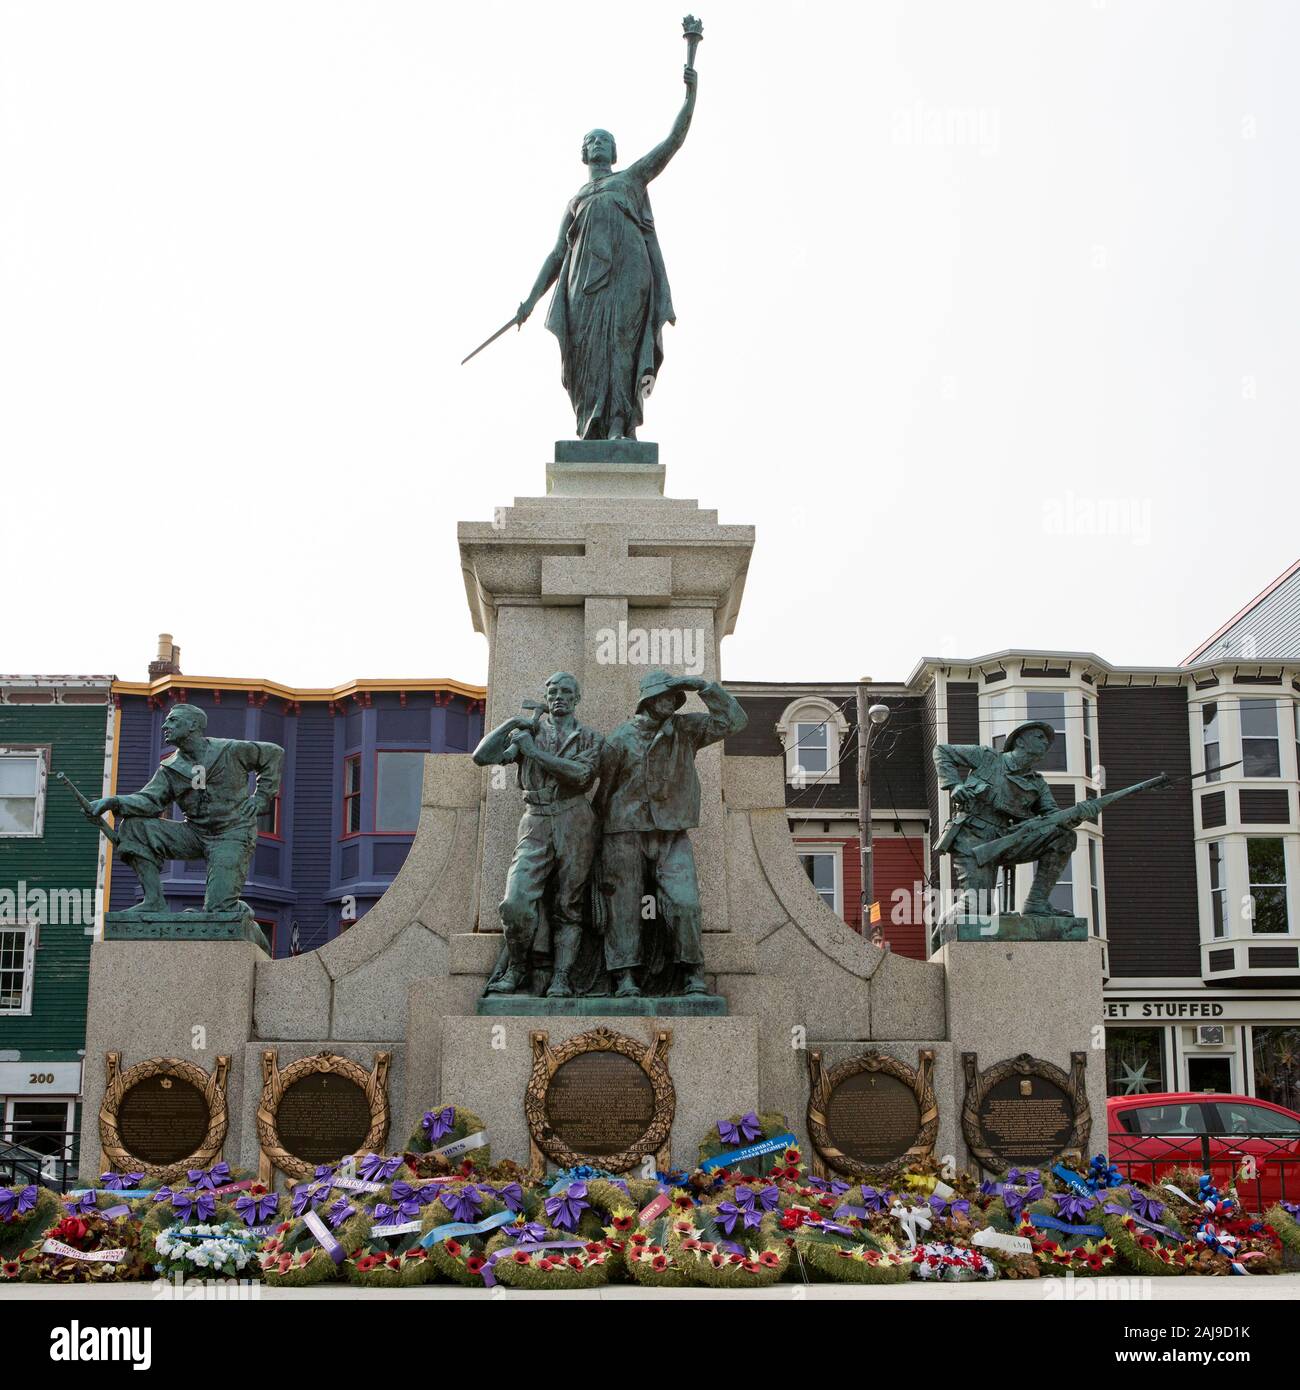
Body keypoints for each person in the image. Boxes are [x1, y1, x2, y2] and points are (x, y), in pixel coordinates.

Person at [513, 63, 698, 440]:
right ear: (583, 153)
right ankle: (592, 424)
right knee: (587, 351)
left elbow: (672, 142)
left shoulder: (629, 179)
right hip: (582, 285)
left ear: (615, 151)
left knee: (620, 343)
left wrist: (690, 94)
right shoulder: (576, 200)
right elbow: (555, 256)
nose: (598, 143)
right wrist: (530, 301)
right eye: (591, 140)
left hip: (628, 275)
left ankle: (618, 424)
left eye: (605, 139)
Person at [595, 670, 746, 996]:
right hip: (624, 830)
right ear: (647, 700)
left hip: (672, 830)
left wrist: (705, 688)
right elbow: (603, 792)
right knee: (624, 906)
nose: (671, 700)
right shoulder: (620, 739)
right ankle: (624, 977)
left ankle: (692, 972)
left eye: (674, 696)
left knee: (685, 903)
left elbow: (734, 722)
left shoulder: (687, 729)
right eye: (664, 695)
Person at [472, 673, 602, 997]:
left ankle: (562, 977)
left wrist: (536, 753)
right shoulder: (529, 731)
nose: (559, 696)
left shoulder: (590, 738)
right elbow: (482, 757)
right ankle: (516, 968)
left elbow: (582, 776)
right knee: (515, 902)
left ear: (577, 698)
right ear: (546, 698)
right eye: (553, 691)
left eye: (566, 691)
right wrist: (511, 724)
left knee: (569, 904)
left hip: (575, 818)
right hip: (535, 819)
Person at [91, 704, 282, 917]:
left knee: (219, 912)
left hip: (232, 833)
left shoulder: (229, 750)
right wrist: (112, 802)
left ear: (192, 725)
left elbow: (273, 754)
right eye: (166, 721)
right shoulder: (170, 767)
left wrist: (261, 797)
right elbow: (149, 800)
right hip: (193, 833)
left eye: (173, 720)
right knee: (134, 826)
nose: (165, 725)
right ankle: (153, 901)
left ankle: (242, 915)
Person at [933, 720, 1091, 918]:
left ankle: (1037, 903)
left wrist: (1076, 816)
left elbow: (1053, 818)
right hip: (973, 838)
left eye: (1047, 741)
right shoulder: (986, 757)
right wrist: (954, 785)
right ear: (1020, 742)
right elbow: (942, 751)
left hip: (1008, 840)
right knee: (977, 910)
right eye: (1039, 737)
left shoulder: (1038, 784)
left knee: (1064, 836)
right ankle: (941, 932)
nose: (1046, 743)